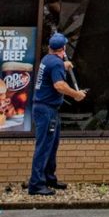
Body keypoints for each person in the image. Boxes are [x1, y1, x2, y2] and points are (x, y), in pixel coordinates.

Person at [27, 34, 86, 196]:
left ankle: (49, 178)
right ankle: (36, 184)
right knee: (44, 147)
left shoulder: (48, 59)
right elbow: (59, 85)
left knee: (52, 146)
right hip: (46, 110)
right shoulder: (56, 64)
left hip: (46, 108)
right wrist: (76, 94)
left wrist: (64, 65)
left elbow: (55, 68)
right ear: (64, 48)